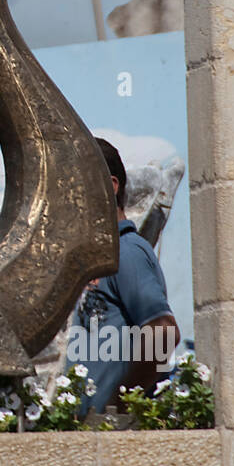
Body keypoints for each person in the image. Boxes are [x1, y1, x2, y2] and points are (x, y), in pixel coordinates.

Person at [71, 138, 179, 417]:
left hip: (111, 440)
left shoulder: (126, 253)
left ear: (111, 186)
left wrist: (118, 408)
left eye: (73, 187)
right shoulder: (92, 260)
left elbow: (163, 333)